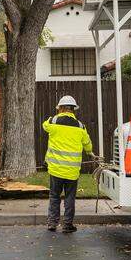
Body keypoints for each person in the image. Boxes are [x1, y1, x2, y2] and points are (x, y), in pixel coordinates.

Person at [41, 95, 94, 233]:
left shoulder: (53, 121)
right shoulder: (80, 126)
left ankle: (52, 223)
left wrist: (54, 117)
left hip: (56, 169)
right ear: (73, 110)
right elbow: (87, 144)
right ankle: (67, 225)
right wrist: (90, 152)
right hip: (72, 171)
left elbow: (45, 125)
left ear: (61, 108)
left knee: (54, 196)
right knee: (70, 197)